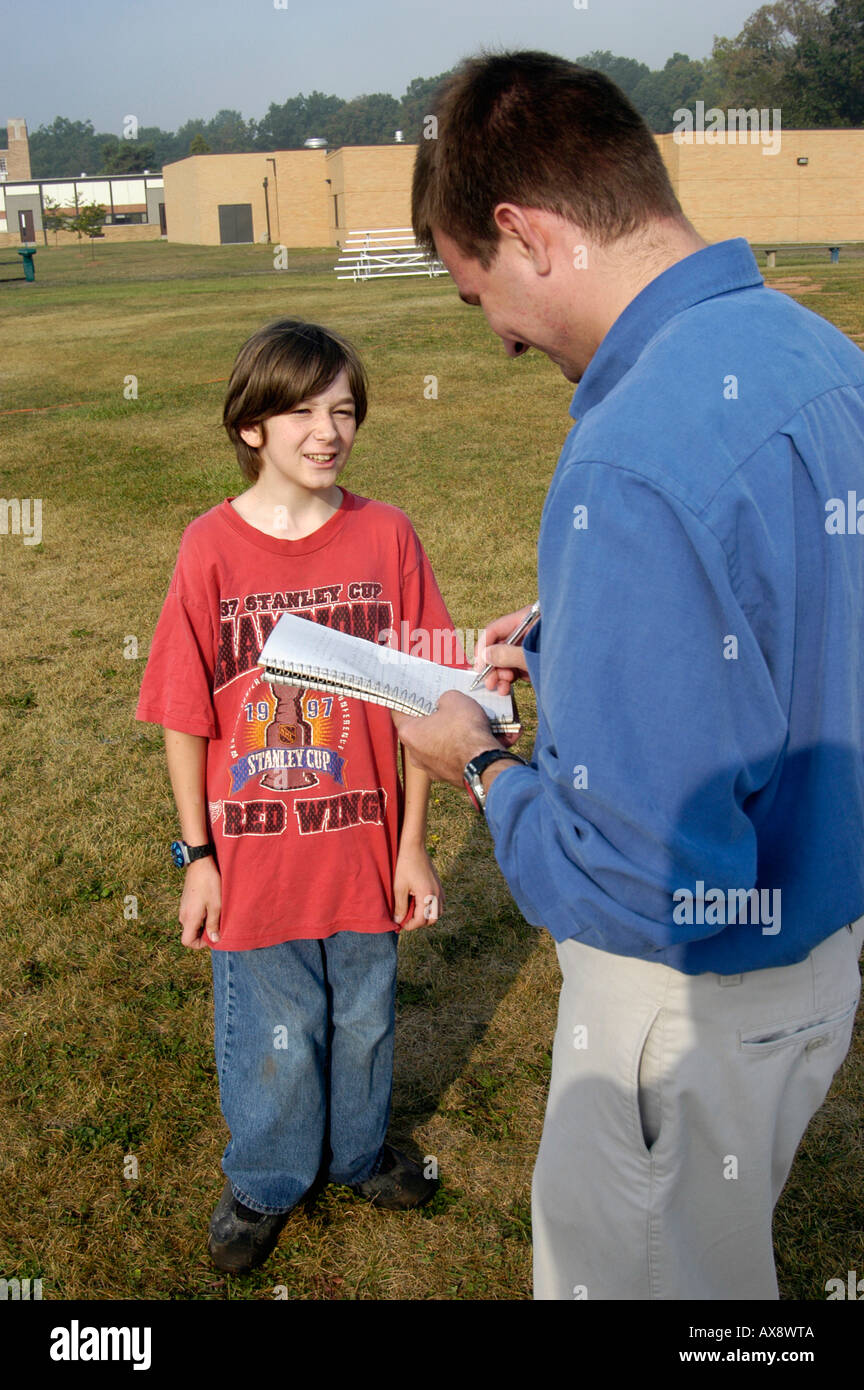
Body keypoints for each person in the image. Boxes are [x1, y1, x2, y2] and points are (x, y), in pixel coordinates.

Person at [392, 51, 864, 1300]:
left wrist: (478, 765)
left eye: (472, 290)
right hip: (819, 961)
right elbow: (799, 597)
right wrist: (580, 627)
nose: (492, 332)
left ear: (525, 234)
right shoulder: (824, 358)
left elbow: (639, 875)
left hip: (684, 1007)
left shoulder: (634, 458)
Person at [136, 318, 455, 1274]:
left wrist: (411, 844)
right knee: (277, 1032)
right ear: (252, 426)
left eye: (345, 410)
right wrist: (198, 858)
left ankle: (357, 1153)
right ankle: (270, 1178)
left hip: (365, 846)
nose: (329, 431)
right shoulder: (210, 550)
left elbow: (426, 703)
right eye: (302, 411)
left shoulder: (386, 535)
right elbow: (184, 717)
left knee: (363, 1015)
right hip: (258, 857)